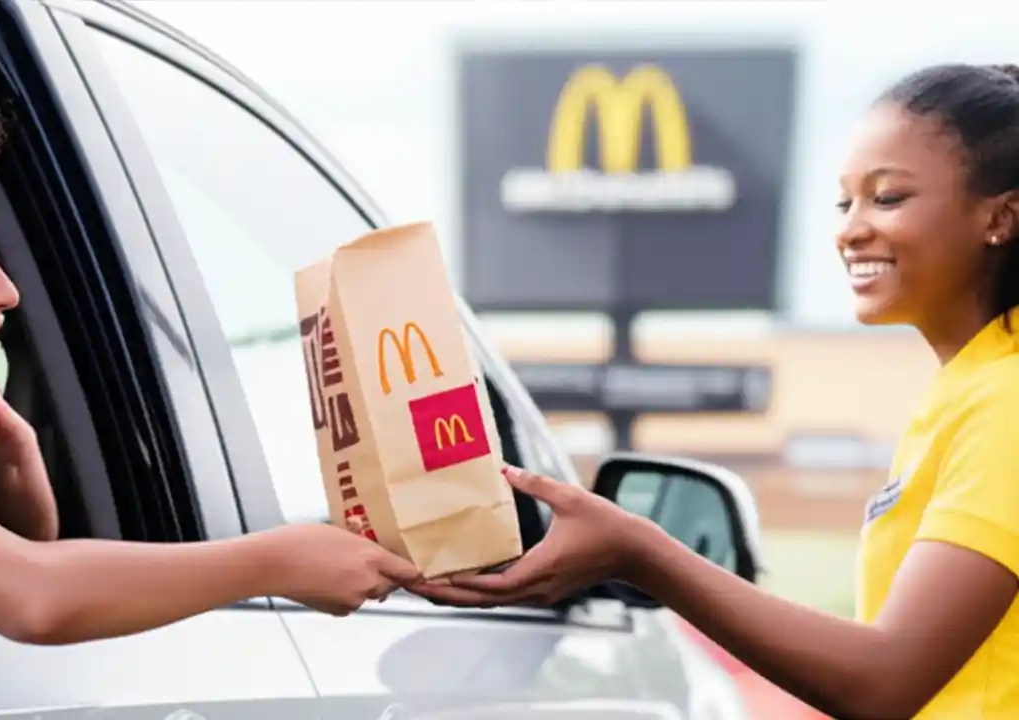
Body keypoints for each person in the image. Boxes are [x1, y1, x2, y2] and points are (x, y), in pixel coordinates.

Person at [0, 38, 419, 645]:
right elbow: (33, 595)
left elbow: (5, 556)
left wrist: (15, 484)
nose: (6, 292)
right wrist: (272, 561)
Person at [418, 63, 1019, 720]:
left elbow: (885, 680)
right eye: (844, 202)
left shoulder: (1005, 401)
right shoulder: (970, 388)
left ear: (1002, 217)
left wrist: (639, 551)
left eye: (889, 198)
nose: (851, 230)